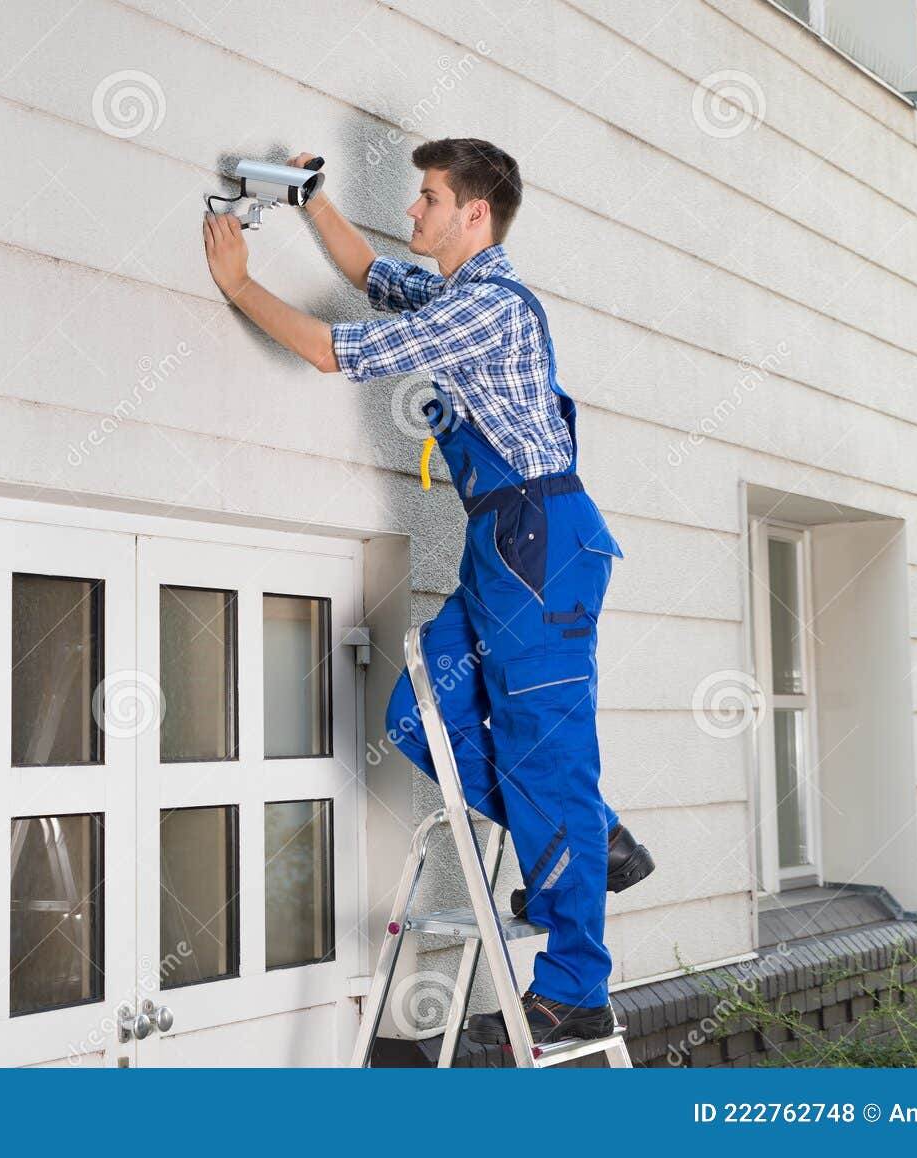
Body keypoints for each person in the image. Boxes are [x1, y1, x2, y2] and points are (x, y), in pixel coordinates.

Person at [202, 137, 654, 1047]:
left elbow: (336, 353)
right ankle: (588, 837)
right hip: (503, 544)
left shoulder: (487, 309)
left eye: (429, 198)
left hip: (541, 542)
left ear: (473, 216)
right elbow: (372, 273)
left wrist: (239, 284)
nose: (412, 212)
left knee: (546, 758)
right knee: (417, 717)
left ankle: (577, 984)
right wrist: (310, 201)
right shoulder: (451, 296)